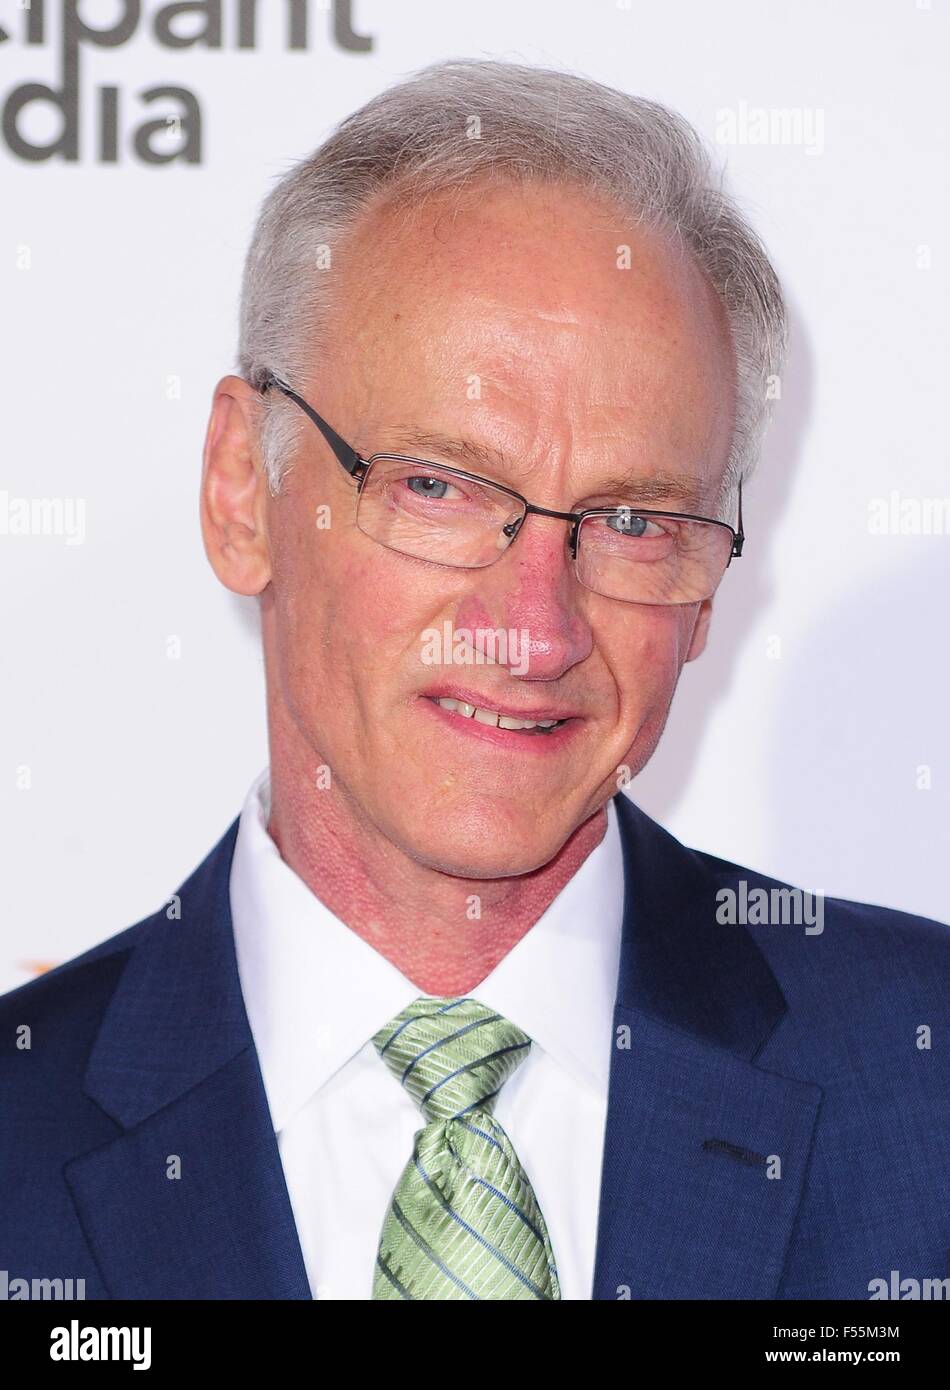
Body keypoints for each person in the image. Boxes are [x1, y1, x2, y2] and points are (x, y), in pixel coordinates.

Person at [3, 58, 948, 1303]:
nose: (532, 630)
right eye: (437, 487)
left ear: (710, 585)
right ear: (241, 491)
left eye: (630, 521)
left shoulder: (924, 1085)